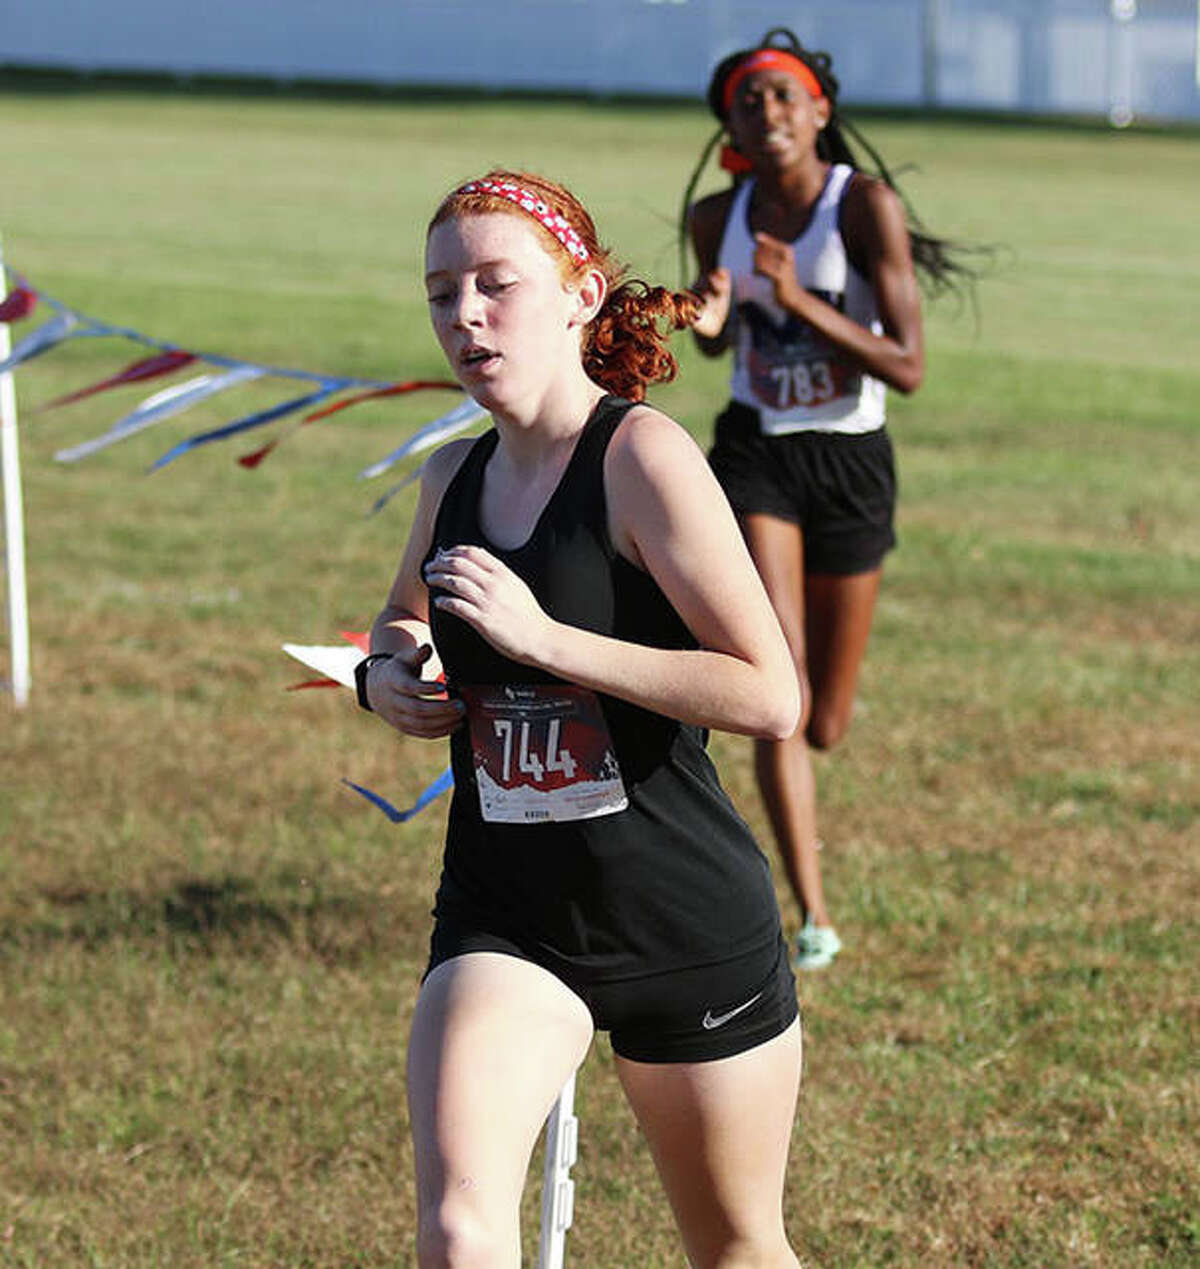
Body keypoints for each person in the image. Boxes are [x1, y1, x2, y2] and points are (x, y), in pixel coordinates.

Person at [358, 170, 805, 1268]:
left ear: (579, 294)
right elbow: (397, 619)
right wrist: (388, 672)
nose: (463, 314)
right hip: (509, 914)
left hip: (680, 917)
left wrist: (549, 642)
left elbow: (769, 693)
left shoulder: (643, 460)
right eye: (440, 292)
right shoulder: (450, 476)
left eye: (494, 284)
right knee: (460, 1231)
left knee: (736, 1247)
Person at [685, 28, 978, 971]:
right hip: (755, 454)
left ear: (819, 113)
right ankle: (810, 915)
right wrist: (709, 315)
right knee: (784, 688)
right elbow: (715, 344)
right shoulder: (713, 216)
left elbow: (910, 366)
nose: (765, 112)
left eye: (783, 96)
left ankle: (805, 833)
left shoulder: (865, 208)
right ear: (728, 126)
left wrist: (797, 298)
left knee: (828, 722)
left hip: (850, 460)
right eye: (747, 101)